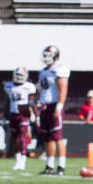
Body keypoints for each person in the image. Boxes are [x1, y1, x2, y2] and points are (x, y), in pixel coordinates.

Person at [36, 45, 71, 175]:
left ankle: (61, 166)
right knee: (48, 137)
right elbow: (42, 89)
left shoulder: (60, 70)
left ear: (55, 56)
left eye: (48, 55)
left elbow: (63, 89)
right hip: (45, 106)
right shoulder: (43, 71)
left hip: (54, 105)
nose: (45, 58)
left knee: (57, 137)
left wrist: (59, 107)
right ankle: (49, 165)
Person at [3, 67, 37, 171]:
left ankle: (23, 160)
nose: (18, 77)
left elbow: (32, 102)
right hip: (13, 113)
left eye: (20, 75)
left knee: (22, 137)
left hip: (24, 112)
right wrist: (5, 114)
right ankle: (18, 160)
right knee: (14, 138)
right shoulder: (8, 86)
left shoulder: (29, 87)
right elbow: (8, 101)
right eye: (17, 75)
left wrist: (34, 114)